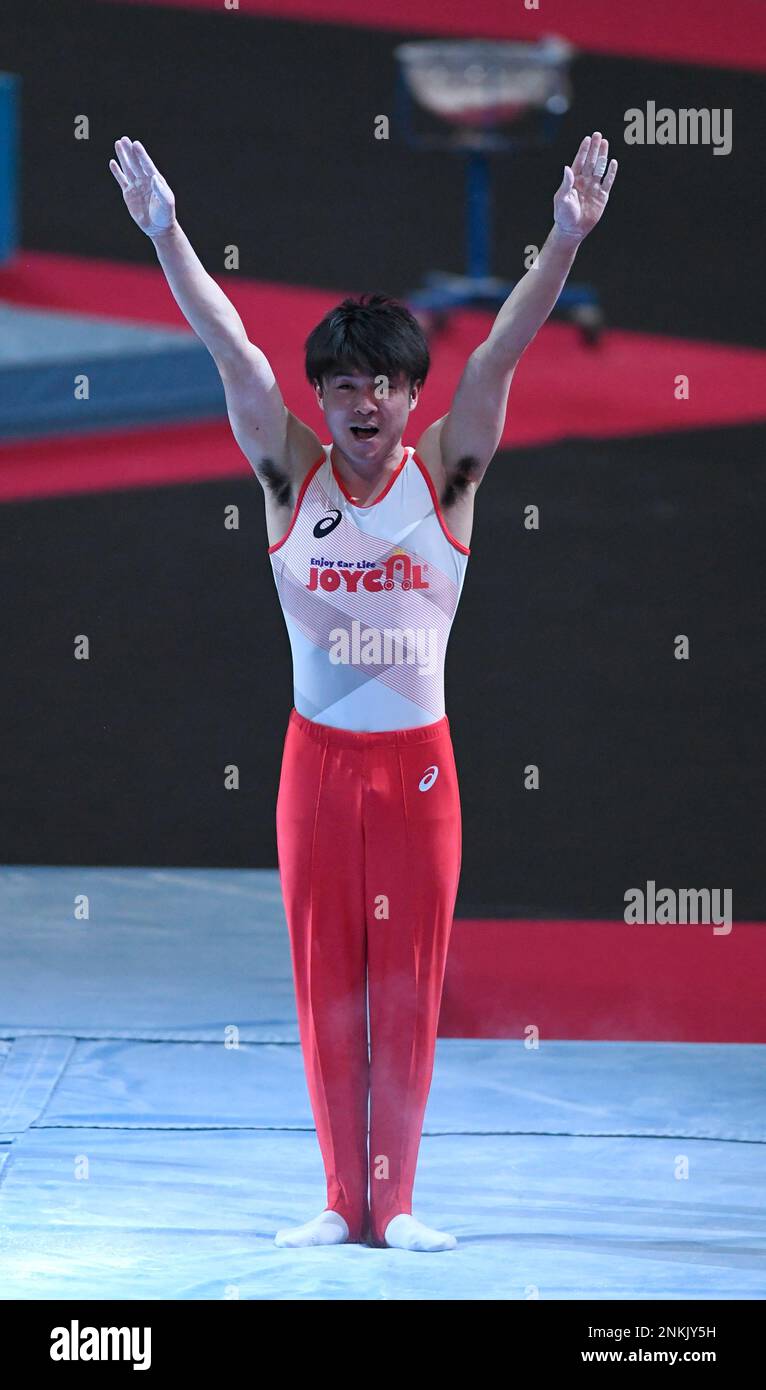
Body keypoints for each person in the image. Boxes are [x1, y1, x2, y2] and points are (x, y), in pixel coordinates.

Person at [109, 131, 618, 1252]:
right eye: (344, 387)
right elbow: (232, 349)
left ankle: (398, 1202)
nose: (365, 405)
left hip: (419, 771)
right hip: (317, 768)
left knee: (407, 989)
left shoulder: (448, 475)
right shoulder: (288, 472)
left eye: (384, 384)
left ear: (410, 392)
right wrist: (166, 233)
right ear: (323, 399)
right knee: (326, 984)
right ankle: (343, 1201)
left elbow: (502, 352)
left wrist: (565, 238)